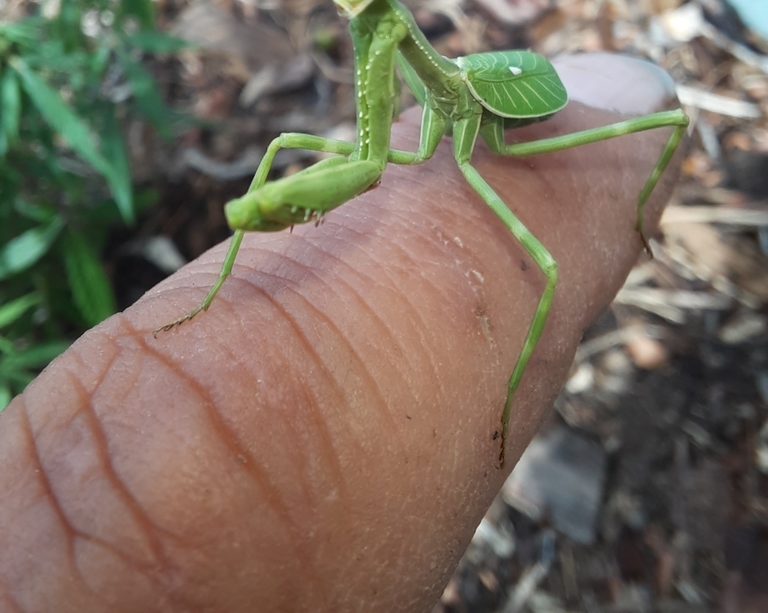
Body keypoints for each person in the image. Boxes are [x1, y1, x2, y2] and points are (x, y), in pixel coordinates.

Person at [0, 54, 683, 613]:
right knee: (283, 144)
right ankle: (214, 288)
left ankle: (511, 397)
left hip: (521, 97)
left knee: (551, 261)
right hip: (473, 83)